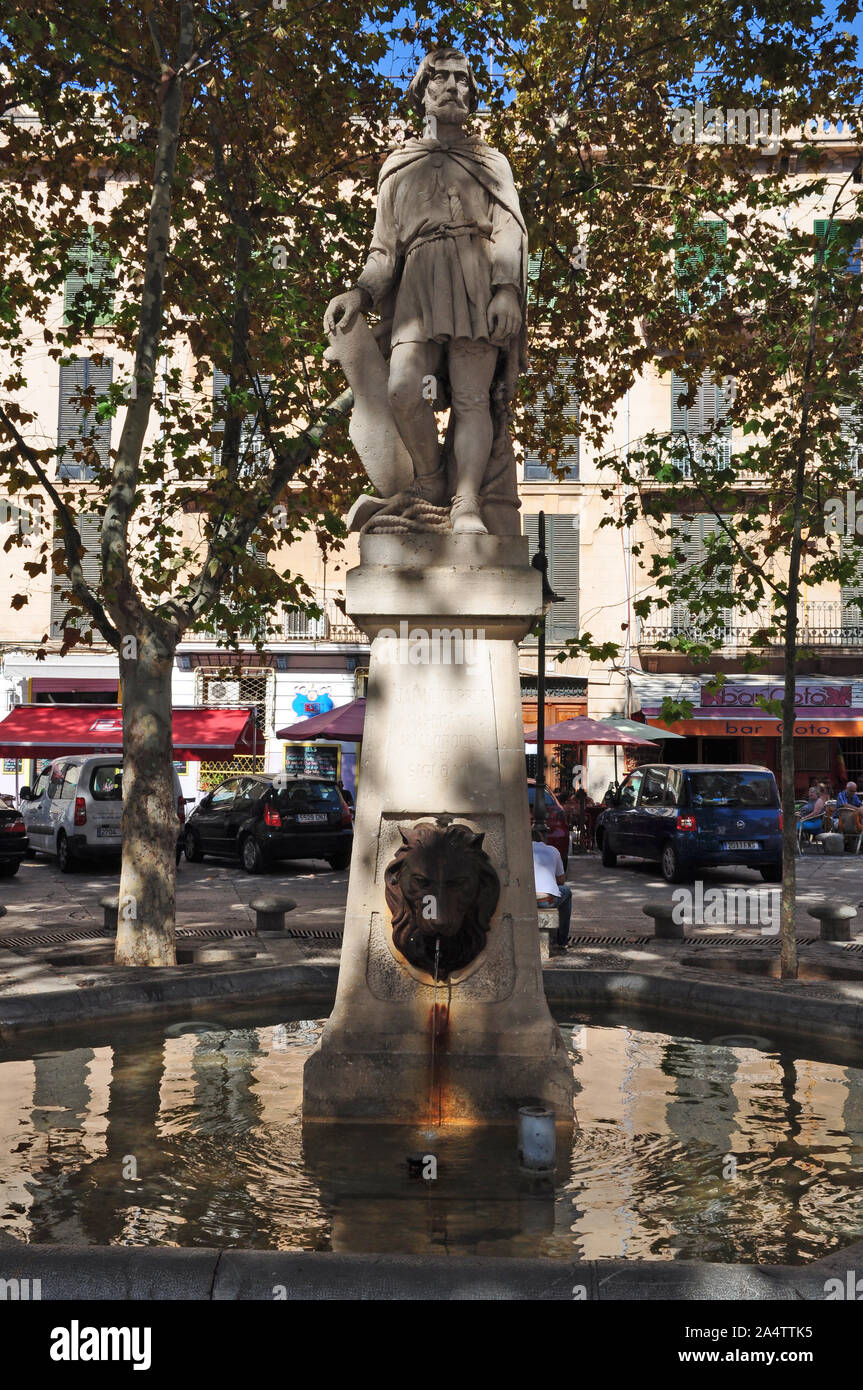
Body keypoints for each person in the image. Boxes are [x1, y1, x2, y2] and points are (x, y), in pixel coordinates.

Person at [324, 47, 527, 536]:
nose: (454, 85)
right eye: (441, 77)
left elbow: (508, 229)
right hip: (416, 285)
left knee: (473, 397)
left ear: (472, 92)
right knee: (401, 389)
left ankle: (467, 502)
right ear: (423, 90)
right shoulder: (399, 167)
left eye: (463, 78)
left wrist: (506, 291)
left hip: (475, 279)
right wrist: (360, 295)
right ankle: (431, 478)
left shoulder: (490, 161)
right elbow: (383, 252)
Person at [532, 825, 572, 951]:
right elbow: (561, 880)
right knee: (567, 892)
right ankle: (562, 940)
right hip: (546, 899)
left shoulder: (519, 851)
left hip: (525, 899)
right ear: (542, 839)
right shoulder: (553, 850)